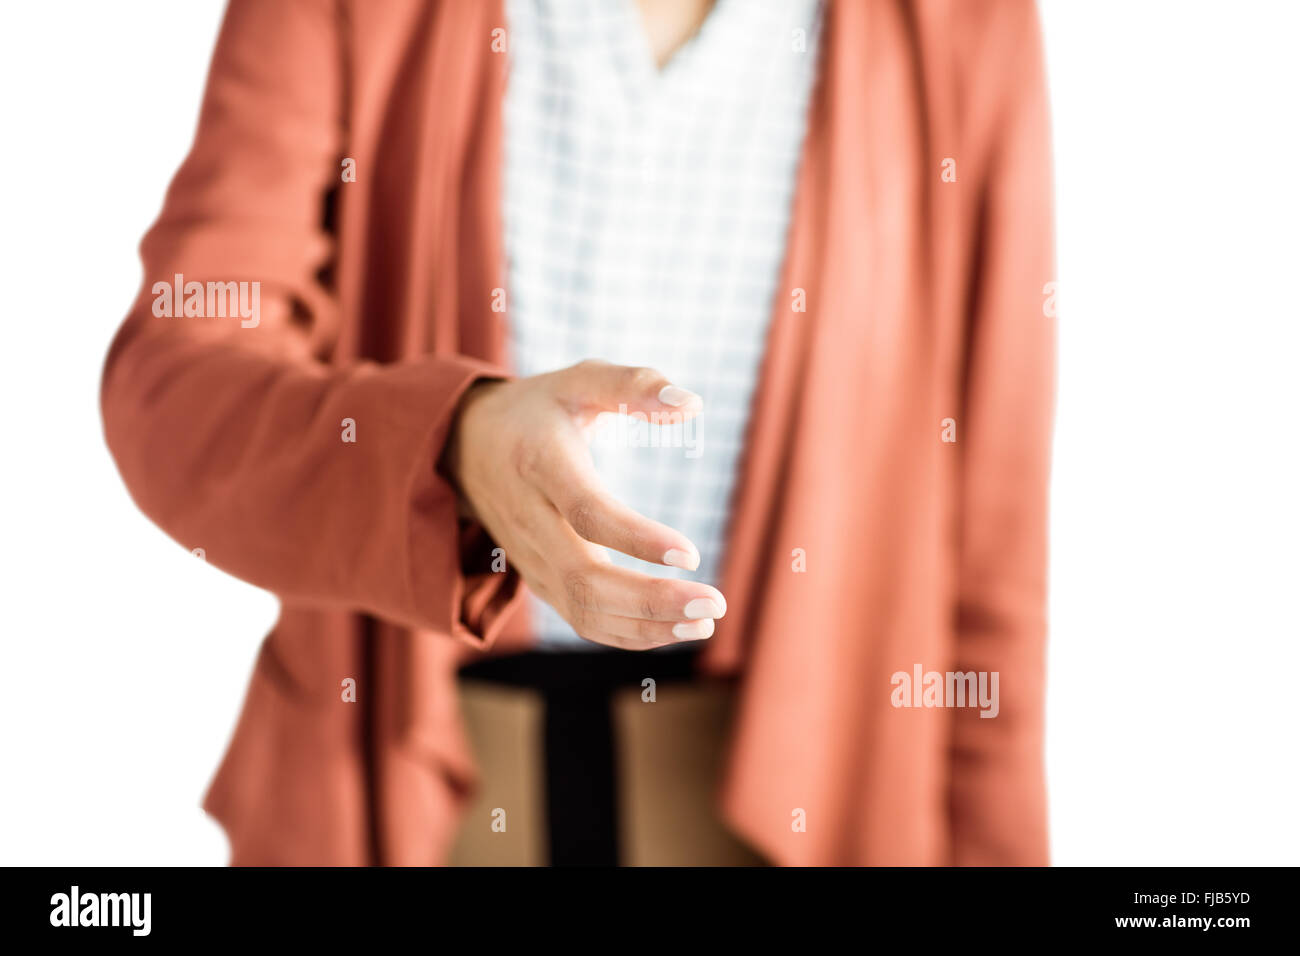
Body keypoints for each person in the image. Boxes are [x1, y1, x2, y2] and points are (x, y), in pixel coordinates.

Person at [102, 0, 1056, 866]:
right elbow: (175, 389)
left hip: (787, 796)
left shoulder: (963, 27)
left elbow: (990, 563)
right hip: (410, 782)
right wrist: (449, 441)